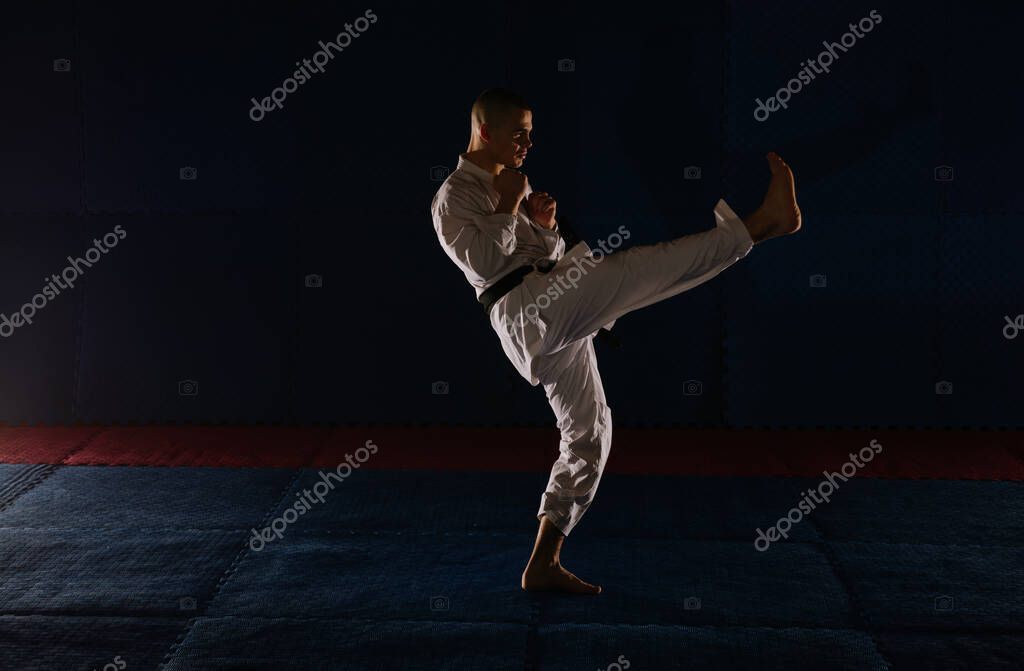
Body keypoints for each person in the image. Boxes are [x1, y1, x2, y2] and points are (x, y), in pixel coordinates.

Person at [430, 88, 801, 594]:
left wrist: (543, 227)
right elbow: (487, 264)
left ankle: (543, 562)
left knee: (590, 434)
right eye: (519, 133)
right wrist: (509, 206)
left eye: (532, 133)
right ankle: (759, 225)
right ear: (485, 131)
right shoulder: (453, 195)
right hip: (529, 310)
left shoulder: (511, 184)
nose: (527, 143)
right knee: (636, 271)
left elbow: (541, 253)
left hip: (551, 298)